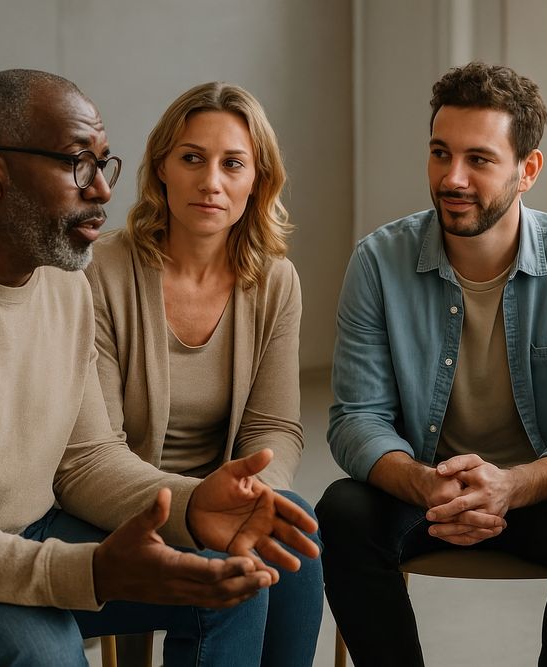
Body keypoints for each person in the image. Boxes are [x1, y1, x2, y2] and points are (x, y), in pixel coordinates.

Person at [0, 69, 319, 667]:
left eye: (103, 164)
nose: (102, 192)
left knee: (229, 584)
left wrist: (194, 505)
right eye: (75, 164)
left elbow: (87, 458)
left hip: (35, 532)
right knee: (49, 650)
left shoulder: (62, 281)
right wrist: (85, 569)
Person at [316, 61, 547, 666]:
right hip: (427, 491)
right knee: (342, 509)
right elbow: (355, 418)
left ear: (528, 170)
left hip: (540, 492)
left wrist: (511, 487)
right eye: (440, 153)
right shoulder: (378, 262)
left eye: (479, 160)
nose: (452, 177)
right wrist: (425, 483)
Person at [84, 81, 322, 666]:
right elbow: (97, 450)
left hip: (225, 500)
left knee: (298, 533)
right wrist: (199, 505)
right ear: (161, 167)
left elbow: (274, 426)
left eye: (232, 163)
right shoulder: (101, 274)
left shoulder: (275, 280)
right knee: (242, 565)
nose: (211, 181)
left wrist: (256, 493)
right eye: (192, 158)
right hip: (121, 499)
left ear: (257, 180)